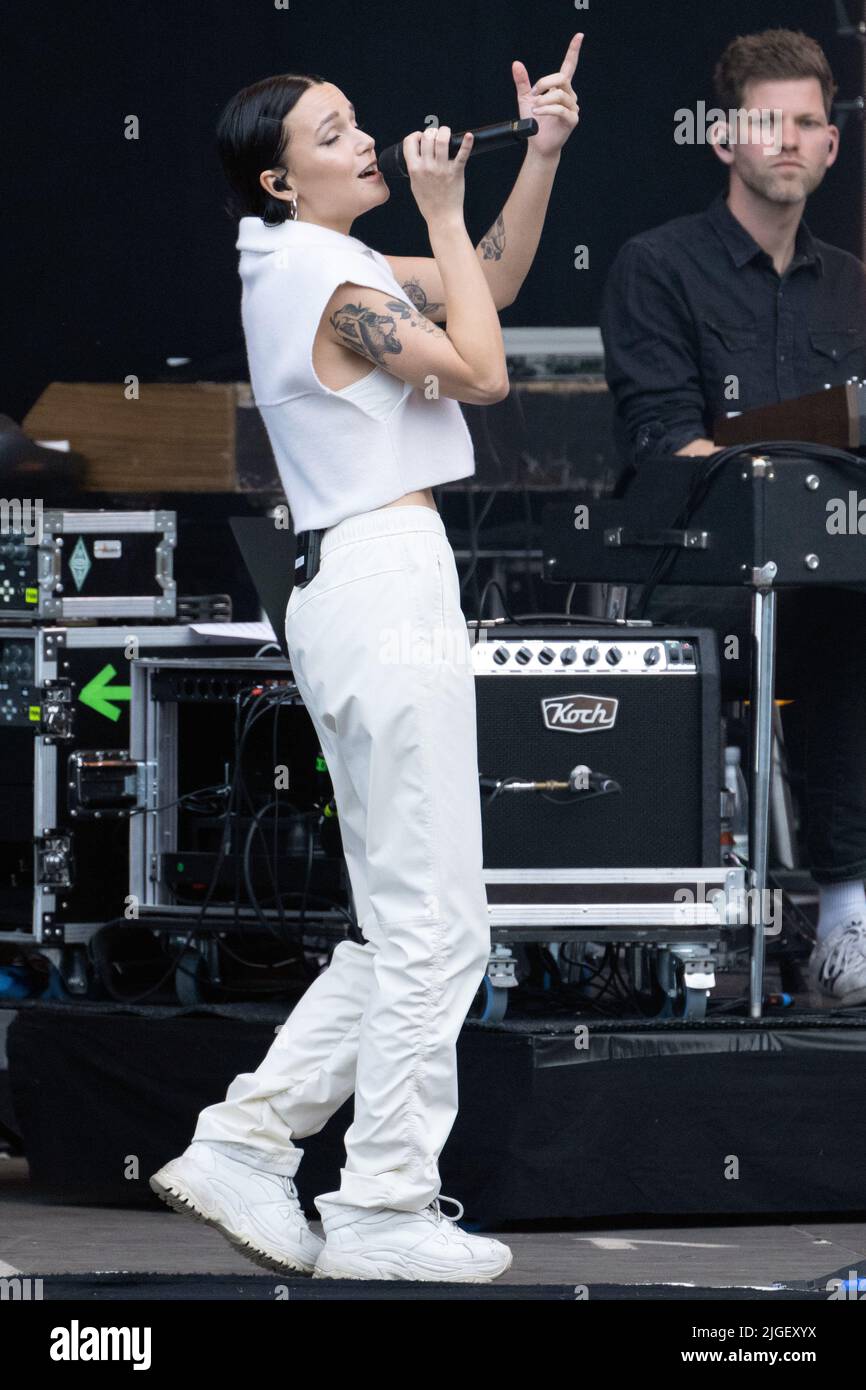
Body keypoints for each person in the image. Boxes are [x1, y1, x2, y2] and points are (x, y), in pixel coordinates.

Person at [150, 38, 581, 1282]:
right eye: (331, 134)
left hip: (369, 580)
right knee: (437, 929)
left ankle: (247, 1137)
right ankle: (384, 1202)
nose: (363, 141)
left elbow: (482, 276)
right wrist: (444, 208)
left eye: (353, 121)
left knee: (407, 925)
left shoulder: (318, 260)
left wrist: (536, 158)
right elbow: (487, 372)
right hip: (381, 583)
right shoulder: (328, 287)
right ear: (281, 181)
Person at [600, 29, 866, 1007]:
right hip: (698, 581)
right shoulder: (655, 265)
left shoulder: (849, 284)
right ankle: (687, 930)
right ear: (721, 139)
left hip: (829, 586)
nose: (787, 141)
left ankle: (845, 922)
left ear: (831, 144)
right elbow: (664, 438)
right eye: (766, 122)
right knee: (812, 620)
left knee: (842, 616)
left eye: (806, 122)